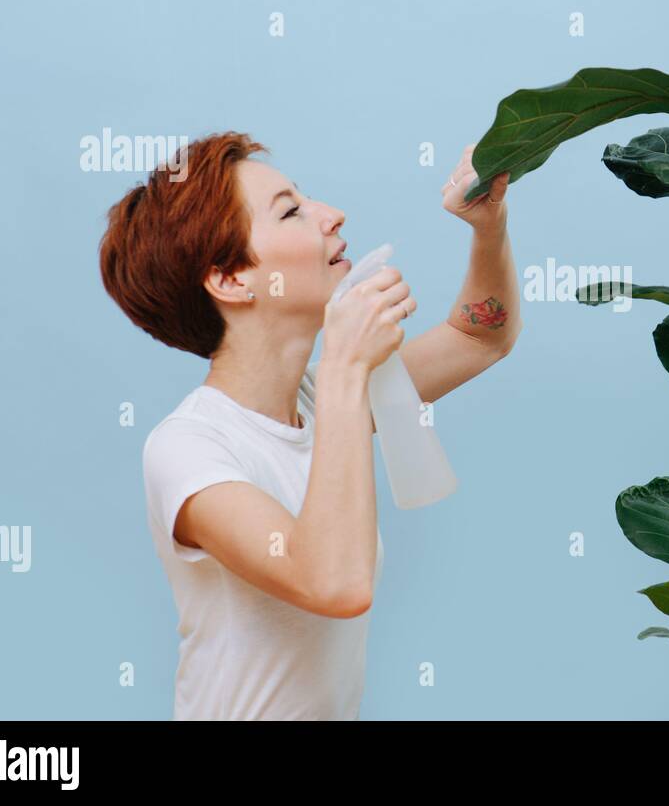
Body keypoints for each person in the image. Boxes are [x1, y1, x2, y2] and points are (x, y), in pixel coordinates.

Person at [98, 131, 520, 719]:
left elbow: (481, 335)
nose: (332, 215)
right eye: (292, 211)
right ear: (230, 279)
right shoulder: (188, 450)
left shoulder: (322, 398)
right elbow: (334, 584)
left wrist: (488, 226)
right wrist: (349, 364)